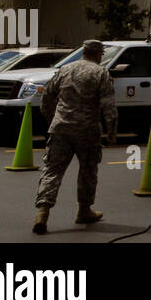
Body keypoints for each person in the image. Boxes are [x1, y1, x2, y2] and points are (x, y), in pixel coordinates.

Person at [32, 40, 118, 234]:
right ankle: (84, 210)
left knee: (52, 170)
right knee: (87, 171)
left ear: (83, 52)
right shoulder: (100, 73)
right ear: (98, 54)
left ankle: (42, 213)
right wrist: (111, 132)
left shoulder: (64, 70)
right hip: (87, 131)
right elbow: (109, 106)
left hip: (61, 129)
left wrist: (53, 120)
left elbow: (46, 98)